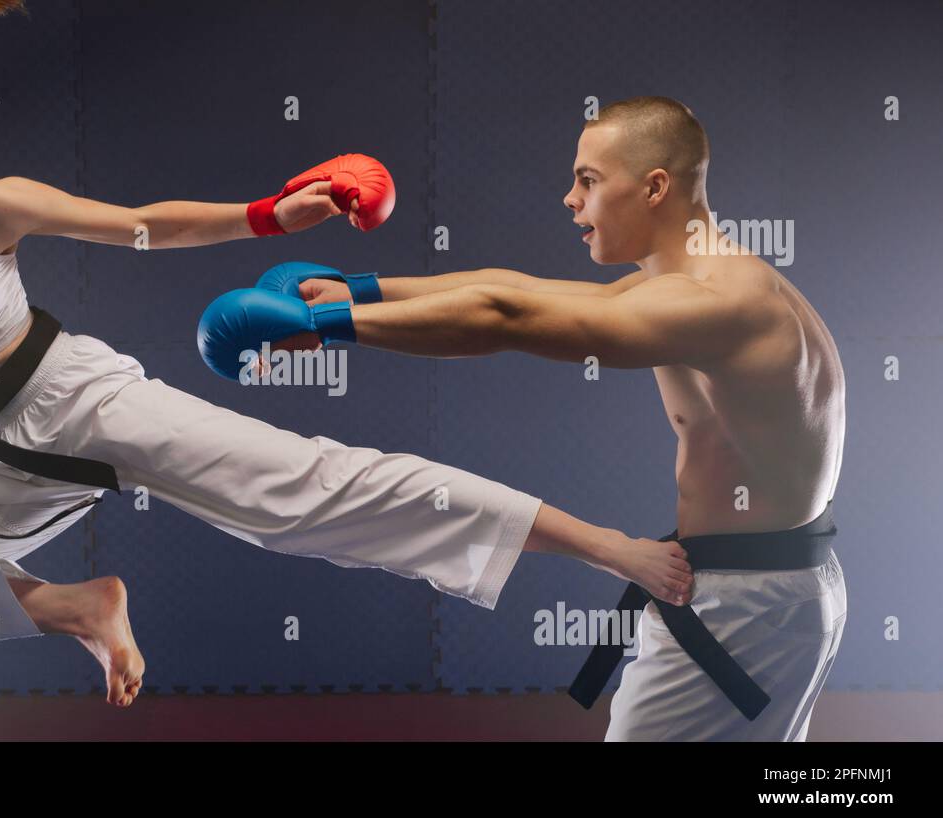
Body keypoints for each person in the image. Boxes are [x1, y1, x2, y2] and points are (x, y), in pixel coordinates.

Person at [0, 2, 691, 710]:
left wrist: (270, 217)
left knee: (317, 491)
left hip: (77, 400)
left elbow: (142, 223)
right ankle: (71, 605)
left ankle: (606, 545)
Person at [223, 96, 846, 740]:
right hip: (770, 587)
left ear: (655, 186)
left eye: (589, 180)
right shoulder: (697, 280)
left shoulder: (714, 304)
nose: (570, 199)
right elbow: (516, 287)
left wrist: (326, 326)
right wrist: (358, 290)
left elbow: (504, 317)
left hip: (740, 603)